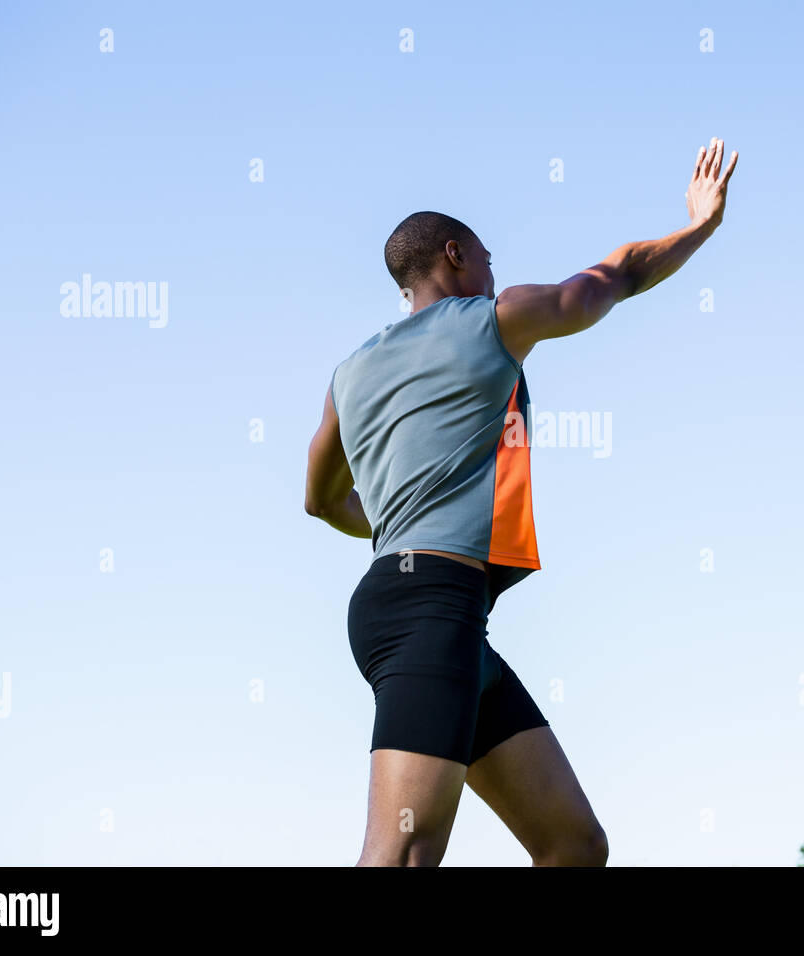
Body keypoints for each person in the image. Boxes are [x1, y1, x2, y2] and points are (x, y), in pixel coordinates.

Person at [305, 137, 738, 866]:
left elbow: (322, 502)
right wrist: (699, 227)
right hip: (428, 610)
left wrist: (395, 525)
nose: (494, 272)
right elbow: (613, 276)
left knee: (573, 843)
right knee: (404, 850)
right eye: (487, 258)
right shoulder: (490, 319)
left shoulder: (349, 375)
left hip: (431, 612)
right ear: (454, 257)